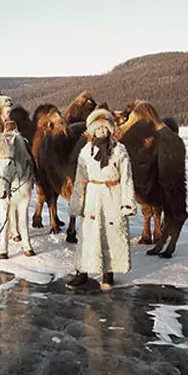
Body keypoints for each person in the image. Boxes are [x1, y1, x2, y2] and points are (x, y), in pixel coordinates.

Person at [67, 109, 137, 290]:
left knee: (110, 235)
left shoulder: (119, 151)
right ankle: (81, 272)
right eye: (97, 129)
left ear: (110, 130)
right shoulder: (85, 152)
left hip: (112, 195)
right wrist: (78, 201)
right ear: (92, 130)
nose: (101, 132)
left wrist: (127, 202)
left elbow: (126, 178)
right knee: (88, 236)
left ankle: (108, 273)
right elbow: (80, 179)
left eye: (105, 128)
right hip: (92, 196)